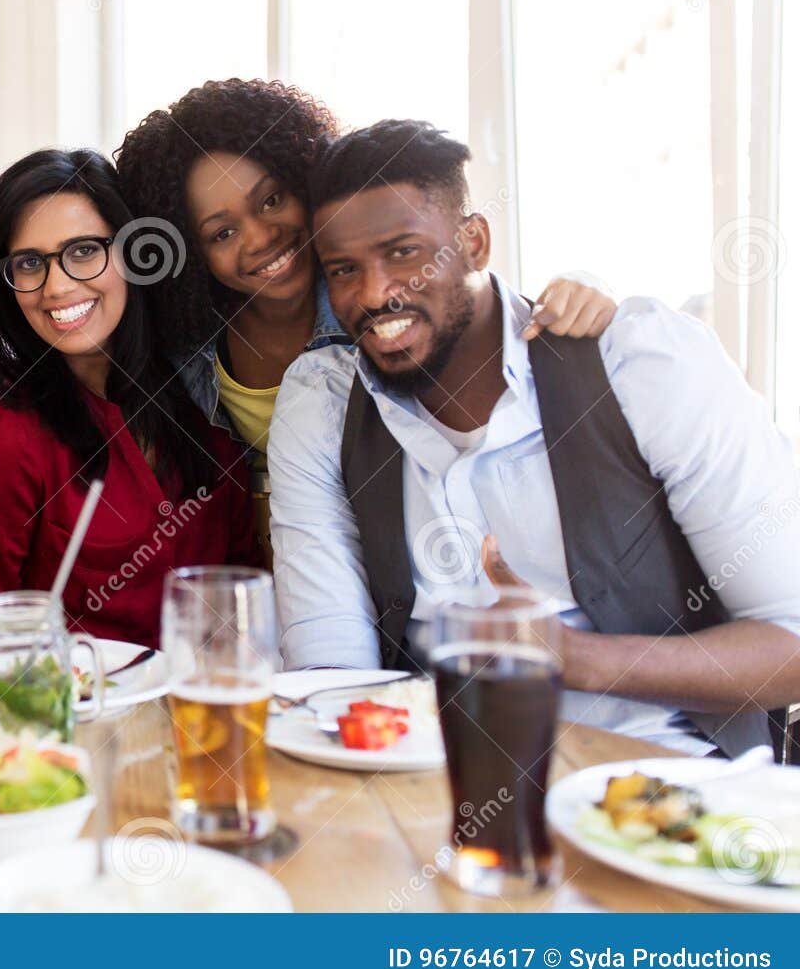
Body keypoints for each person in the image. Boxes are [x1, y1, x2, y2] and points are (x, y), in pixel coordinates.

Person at [269, 120, 800, 756]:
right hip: (433, 778)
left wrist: (573, 657)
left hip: (664, 778)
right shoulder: (323, 403)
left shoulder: (644, 363)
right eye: (344, 269)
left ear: (474, 241)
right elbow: (333, 670)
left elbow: (791, 639)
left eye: (404, 252)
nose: (375, 293)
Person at [115, 79, 618, 557]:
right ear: (193, 251)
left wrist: (584, 284)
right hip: (257, 583)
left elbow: (482, 316)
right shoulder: (188, 349)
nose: (260, 237)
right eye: (222, 233)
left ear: (304, 184)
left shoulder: (378, 302)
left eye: (272, 200)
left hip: (390, 572)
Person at [0, 149, 259, 649]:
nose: (58, 286)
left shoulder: (203, 391)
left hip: (214, 711)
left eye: (84, 250)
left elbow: (250, 595)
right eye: (29, 263)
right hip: (79, 717)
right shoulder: (9, 434)